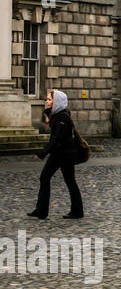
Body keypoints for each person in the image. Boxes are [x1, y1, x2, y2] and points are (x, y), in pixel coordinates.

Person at [29, 89, 85, 220]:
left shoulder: (62, 117)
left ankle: (45, 210)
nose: (46, 102)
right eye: (47, 99)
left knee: (59, 179)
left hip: (63, 155)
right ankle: (43, 210)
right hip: (61, 153)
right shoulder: (57, 115)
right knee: (61, 180)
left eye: (49, 99)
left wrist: (42, 153)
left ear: (57, 102)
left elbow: (56, 139)